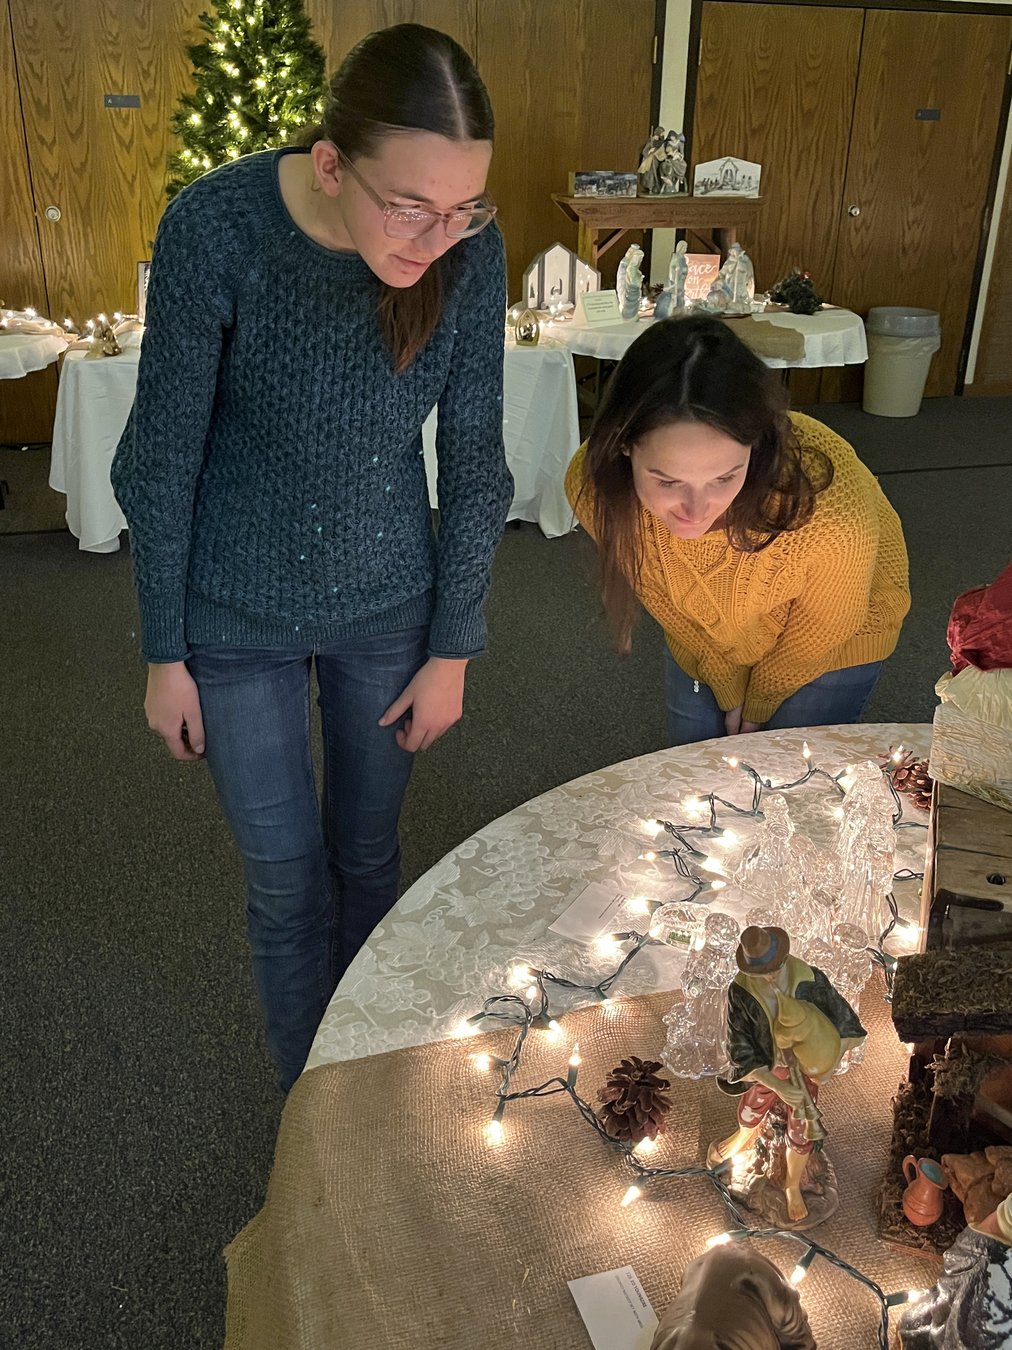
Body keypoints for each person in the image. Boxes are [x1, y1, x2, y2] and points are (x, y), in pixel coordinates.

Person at [111, 24, 512, 1092]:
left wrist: (452, 649)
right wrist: (164, 651)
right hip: (232, 618)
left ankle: (365, 1083)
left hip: (390, 609)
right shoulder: (220, 226)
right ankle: (311, 1109)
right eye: (411, 206)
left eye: (461, 207)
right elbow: (159, 460)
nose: (438, 236)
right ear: (333, 164)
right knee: (286, 884)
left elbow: (475, 465)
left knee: (369, 860)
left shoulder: (470, 249)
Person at [565, 314, 910, 745]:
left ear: (757, 445)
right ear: (623, 444)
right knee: (692, 773)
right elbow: (665, 596)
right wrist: (725, 682)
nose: (696, 510)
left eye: (725, 477)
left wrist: (760, 702)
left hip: (833, 637)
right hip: (709, 628)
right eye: (667, 480)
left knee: (790, 783)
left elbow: (826, 623)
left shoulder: (830, 506)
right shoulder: (594, 486)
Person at [708, 925, 866, 1221]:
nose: (769, 977)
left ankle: (793, 1185)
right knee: (751, 1109)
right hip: (769, 1069)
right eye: (761, 973)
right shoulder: (741, 991)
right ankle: (743, 1137)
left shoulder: (809, 979)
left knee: (801, 1127)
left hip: (805, 1069)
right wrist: (773, 1082)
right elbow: (740, 1045)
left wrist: (825, 1064)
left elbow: (845, 1022)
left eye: (774, 969)